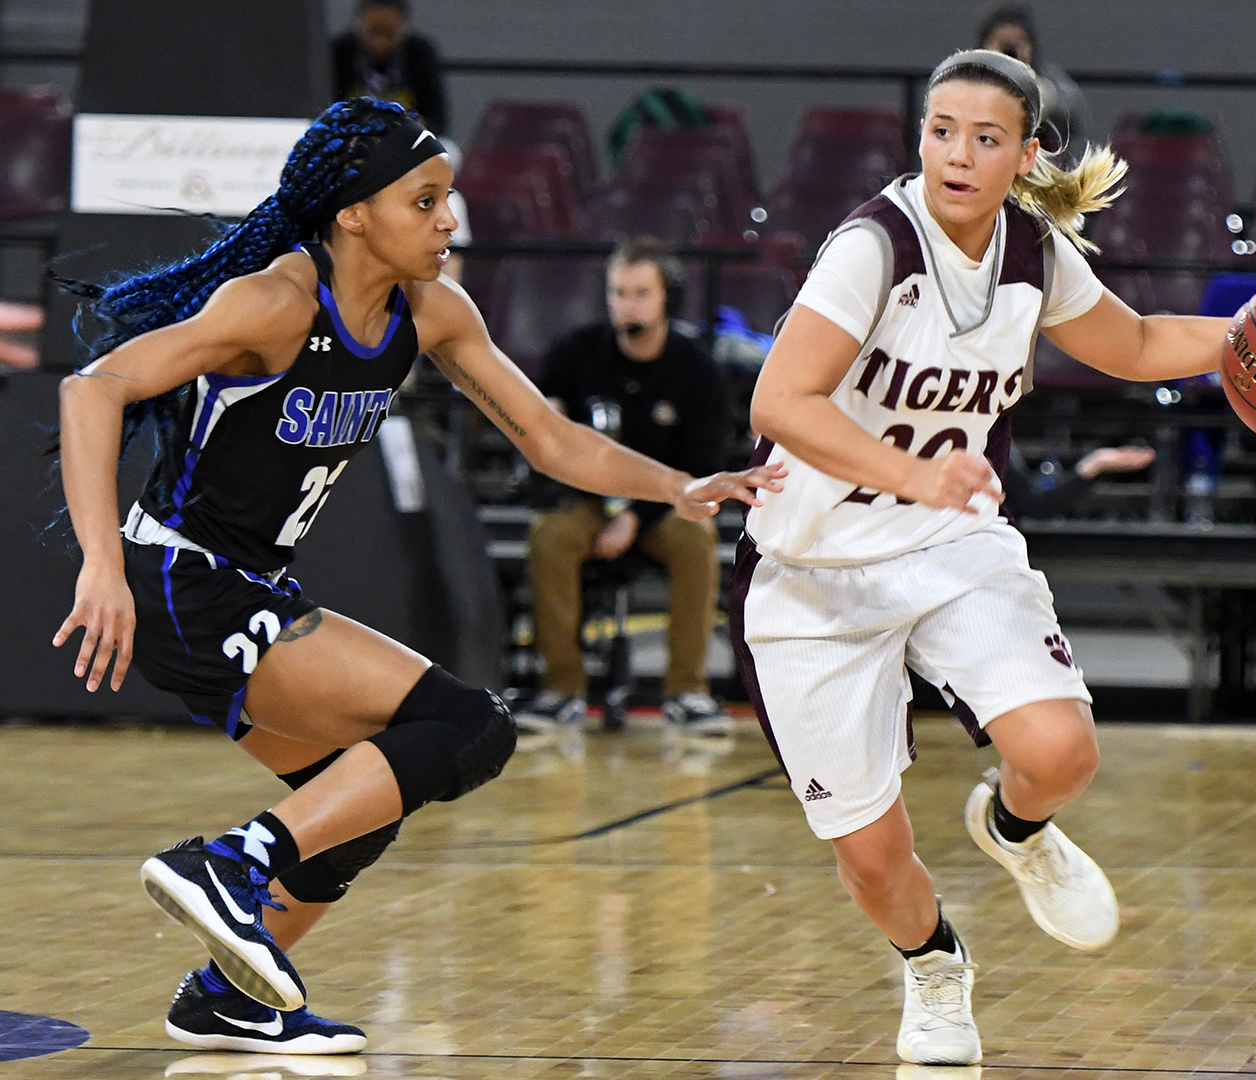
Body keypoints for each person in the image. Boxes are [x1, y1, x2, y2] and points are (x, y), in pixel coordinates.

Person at [52, 97, 781, 1056]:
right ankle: (230, 863)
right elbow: (91, 387)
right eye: (426, 200)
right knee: (468, 725)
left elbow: (551, 438)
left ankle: (221, 997)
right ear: (354, 213)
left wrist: (683, 485)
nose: (450, 221)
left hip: (245, 590)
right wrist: (101, 563)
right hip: (179, 580)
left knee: (356, 808)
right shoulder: (276, 302)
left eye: (452, 201)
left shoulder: (433, 312)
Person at [739, 49, 1238, 1065]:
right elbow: (777, 405)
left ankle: (1012, 829)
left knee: (1062, 752)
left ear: (1025, 154)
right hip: (814, 571)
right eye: (940, 131)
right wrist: (911, 471)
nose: (957, 155)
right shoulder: (873, 247)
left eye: (984, 137)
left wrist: (1252, 339)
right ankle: (934, 967)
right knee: (875, 863)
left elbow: (1137, 345)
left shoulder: (1034, 254)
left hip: (950, 544)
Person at [519, 236, 733, 734]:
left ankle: (686, 692)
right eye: (618, 292)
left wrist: (635, 519)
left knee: (697, 542)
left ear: (668, 299)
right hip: (587, 500)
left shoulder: (699, 371)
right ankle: (562, 688)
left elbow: (701, 466)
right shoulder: (573, 355)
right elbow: (546, 439)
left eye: (639, 293)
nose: (625, 304)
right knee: (549, 536)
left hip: (663, 506)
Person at [976, 2, 1093, 159]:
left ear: (1030, 45)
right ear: (985, 46)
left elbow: (1077, 114)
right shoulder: (967, 78)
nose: (1010, 53)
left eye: (1018, 43)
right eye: (1003, 44)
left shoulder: (1049, 78)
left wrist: (1039, 94)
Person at [331, 0, 447, 132]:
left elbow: (437, 117)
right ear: (359, 27)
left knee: (447, 148)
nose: (381, 41)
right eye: (374, 31)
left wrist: (418, 124)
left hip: (407, 137)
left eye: (389, 33)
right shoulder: (340, 52)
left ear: (403, 29)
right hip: (350, 136)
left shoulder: (420, 53)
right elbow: (324, 109)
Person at [1004, 443, 1155, 519]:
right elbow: (1035, 504)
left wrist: (1097, 462)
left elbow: (1036, 502)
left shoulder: (998, 433)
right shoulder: (988, 434)